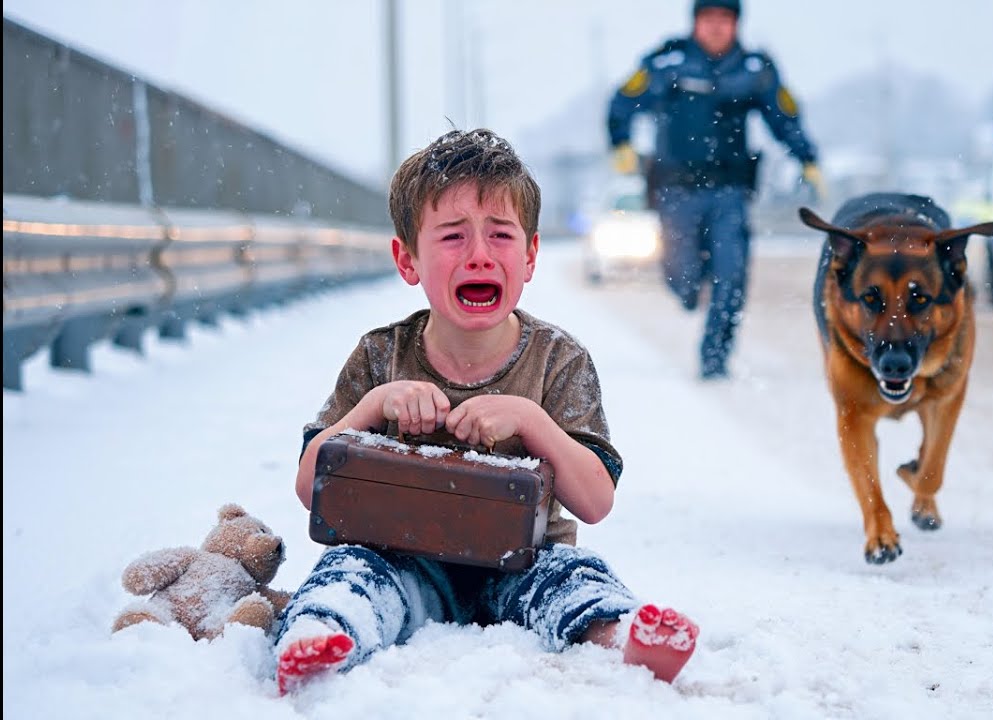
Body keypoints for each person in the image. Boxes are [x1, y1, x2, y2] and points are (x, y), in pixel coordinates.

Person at [273, 128, 699, 694]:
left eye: (500, 235)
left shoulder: (558, 361)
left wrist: (530, 420)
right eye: (452, 237)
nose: (479, 254)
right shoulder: (381, 355)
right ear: (408, 259)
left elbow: (595, 502)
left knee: (573, 578)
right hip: (403, 564)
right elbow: (309, 487)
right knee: (349, 573)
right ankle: (318, 635)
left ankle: (621, 637)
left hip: (522, 565)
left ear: (529, 256)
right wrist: (375, 406)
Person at [607, 0, 823, 380]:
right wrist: (620, 142)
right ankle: (689, 288)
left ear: (737, 24)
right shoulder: (667, 64)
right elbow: (623, 102)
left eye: (725, 19)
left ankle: (714, 360)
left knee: (732, 275)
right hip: (677, 192)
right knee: (681, 274)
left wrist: (807, 158)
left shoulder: (754, 70)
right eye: (709, 19)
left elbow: (784, 117)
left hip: (730, 191)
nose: (716, 27)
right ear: (695, 23)